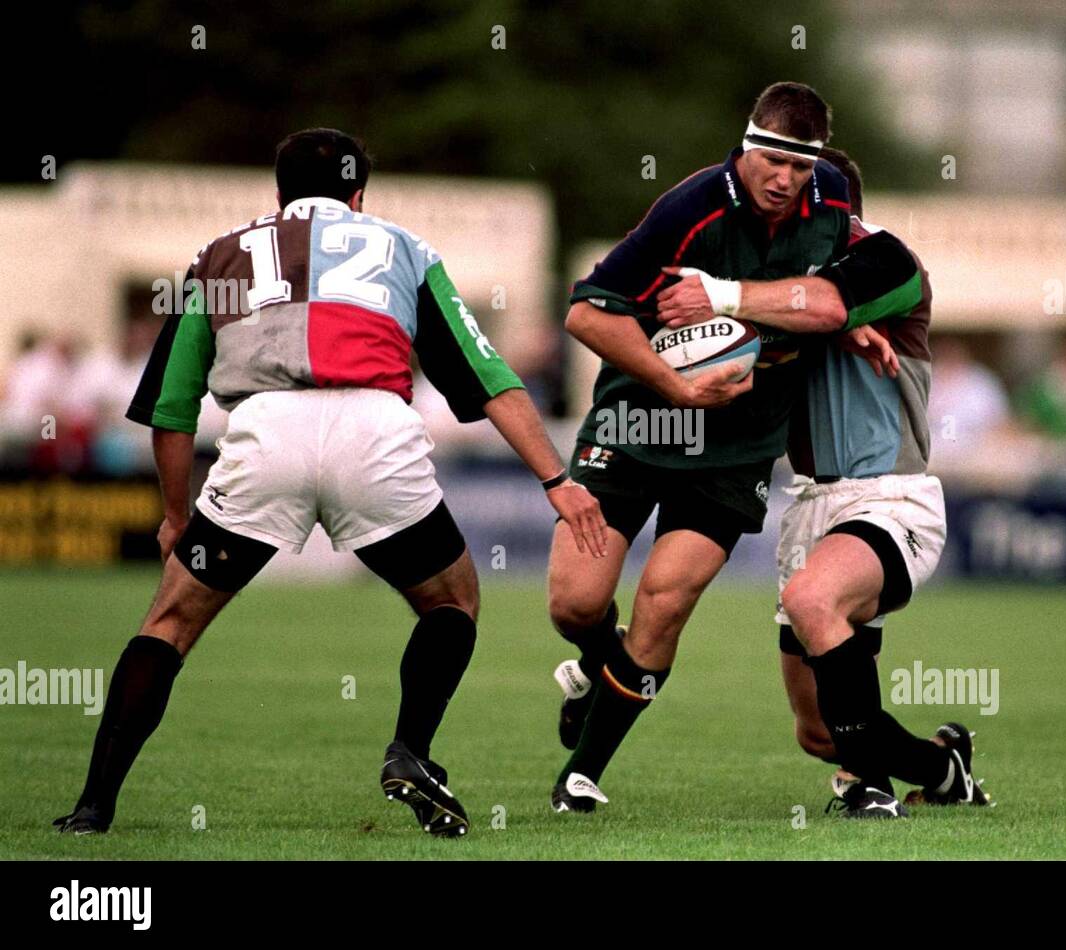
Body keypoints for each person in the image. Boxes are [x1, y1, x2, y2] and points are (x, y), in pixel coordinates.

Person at [52, 127, 606, 838]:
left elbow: (170, 407)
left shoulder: (220, 255)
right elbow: (491, 379)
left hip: (265, 434)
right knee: (453, 600)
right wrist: (556, 479)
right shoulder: (404, 248)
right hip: (373, 431)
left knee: (169, 622)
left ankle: (94, 806)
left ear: (277, 195)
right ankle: (411, 750)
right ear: (359, 194)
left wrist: (172, 512)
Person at [655, 146, 990, 819]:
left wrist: (731, 301)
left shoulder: (891, 260)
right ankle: (942, 768)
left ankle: (869, 788)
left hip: (889, 497)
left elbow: (829, 306)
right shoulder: (778, 276)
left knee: (814, 600)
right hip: (808, 505)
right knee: (816, 732)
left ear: (836, 208)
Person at [547, 82, 854, 812]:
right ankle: (600, 661)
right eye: (773, 160)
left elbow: (832, 296)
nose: (785, 179)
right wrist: (673, 385)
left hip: (738, 446)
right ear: (746, 147)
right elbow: (586, 313)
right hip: (637, 423)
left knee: (665, 601)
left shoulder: (835, 199)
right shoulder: (690, 208)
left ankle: (581, 774)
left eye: (800, 167)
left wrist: (848, 319)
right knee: (573, 601)